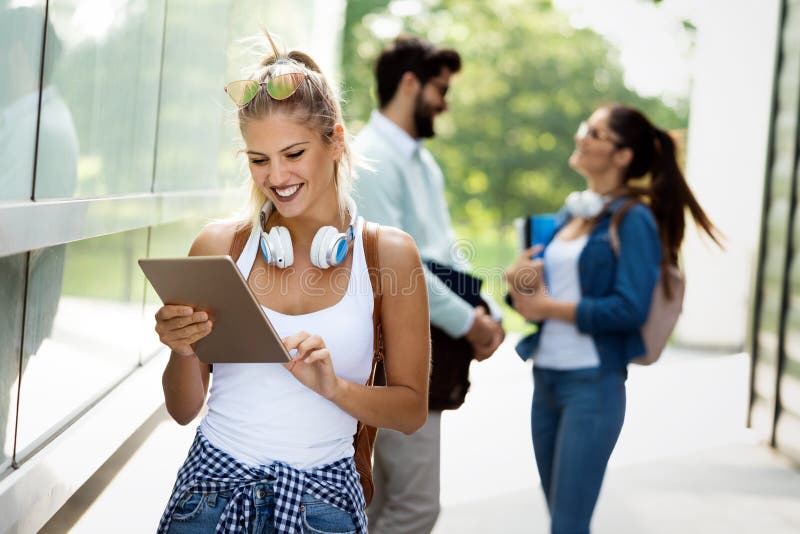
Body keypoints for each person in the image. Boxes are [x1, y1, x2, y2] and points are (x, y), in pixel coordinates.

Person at [153, 33, 430, 534]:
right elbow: (182, 409)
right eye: (259, 160)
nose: (276, 176)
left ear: (336, 141)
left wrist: (334, 387)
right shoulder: (219, 246)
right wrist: (182, 350)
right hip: (209, 496)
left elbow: (411, 410)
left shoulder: (389, 254)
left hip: (322, 506)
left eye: (293, 153)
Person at [505, 103, 722, 534]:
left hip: (592, 386)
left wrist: (547, 307)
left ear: (622, 156)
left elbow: (629, 308)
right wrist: (517, 283)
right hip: (546, 378)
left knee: (568, 525)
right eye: (586, 127)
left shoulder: (634, 219)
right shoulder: (572, 214)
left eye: (596, 133)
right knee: (561, 519)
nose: (581, 136)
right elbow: (535, 300)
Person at [354, 36, 505, 533]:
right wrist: (471, 323)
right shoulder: (373, 158)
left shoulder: (422, 163)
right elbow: (397, 271)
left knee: (382, 502)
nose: (445, 102)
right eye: (440, 88)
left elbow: (441, 257)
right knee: (415, 506)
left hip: (425, 346)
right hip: (394, 354)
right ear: (410, 82)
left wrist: (486, 316)